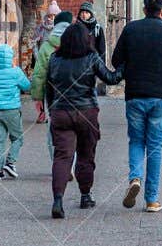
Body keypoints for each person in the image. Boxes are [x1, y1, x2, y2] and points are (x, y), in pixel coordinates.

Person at [115, 0, 162, 212]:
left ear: (144, 9)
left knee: (136, 141)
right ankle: (151, 199)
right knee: (155, 147)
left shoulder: (131, 29)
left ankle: (135, 177)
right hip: (160, 95)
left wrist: (131, 69)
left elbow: (116, 60)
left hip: (135, 94)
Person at [44, 22, 121, 218]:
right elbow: (111, 78)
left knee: (62, 156)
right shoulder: (91, 58)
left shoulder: (54, 59)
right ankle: (85, 195)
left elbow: (48, 88)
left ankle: (58, 199)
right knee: (86, 155)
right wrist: (125, 67)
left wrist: (52, 110)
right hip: (86, 112)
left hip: (61, 112)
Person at [0, 43, 29, 179]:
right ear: (10, 58)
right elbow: (27, 86)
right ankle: (10, 162)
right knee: (17, 138)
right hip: (12, 110)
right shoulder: (16, 72)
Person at [31, 10, 74, 124]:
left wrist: (37, 96)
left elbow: (39, 75)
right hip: (74, 97)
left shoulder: (46, 46)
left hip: (53, 95)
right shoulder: (78, 44)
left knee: (56, 128)